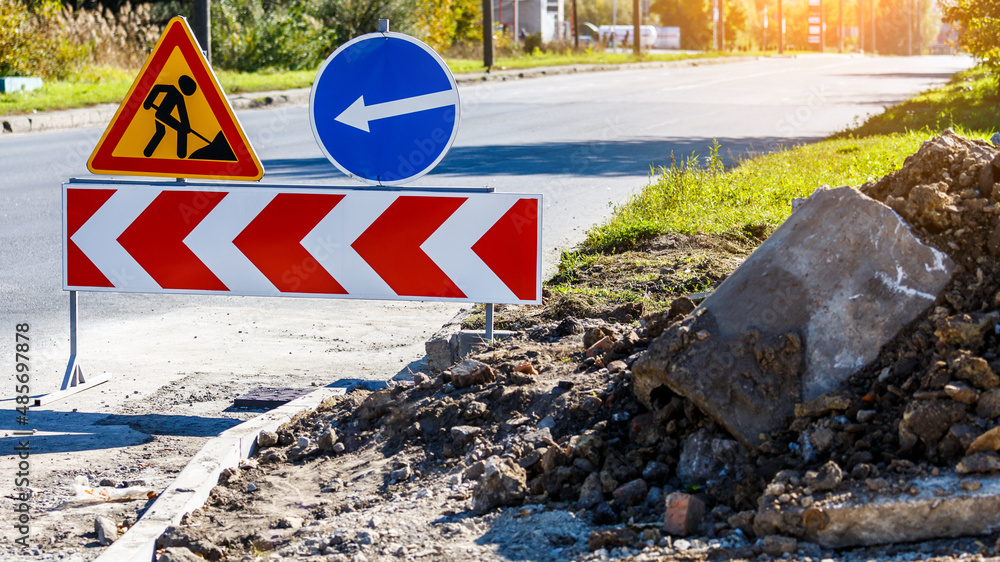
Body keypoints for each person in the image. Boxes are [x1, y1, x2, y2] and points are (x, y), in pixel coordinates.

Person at [142, 75, 197, 158]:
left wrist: (187, 126)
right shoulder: (173, 91)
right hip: (162, 115)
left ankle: (147, 153)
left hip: (162, 116)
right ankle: (181, 154)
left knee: (161, 132)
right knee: (180, 130)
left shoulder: (179, 96)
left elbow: (183, 114)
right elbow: (157, 88)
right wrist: (148, 102)